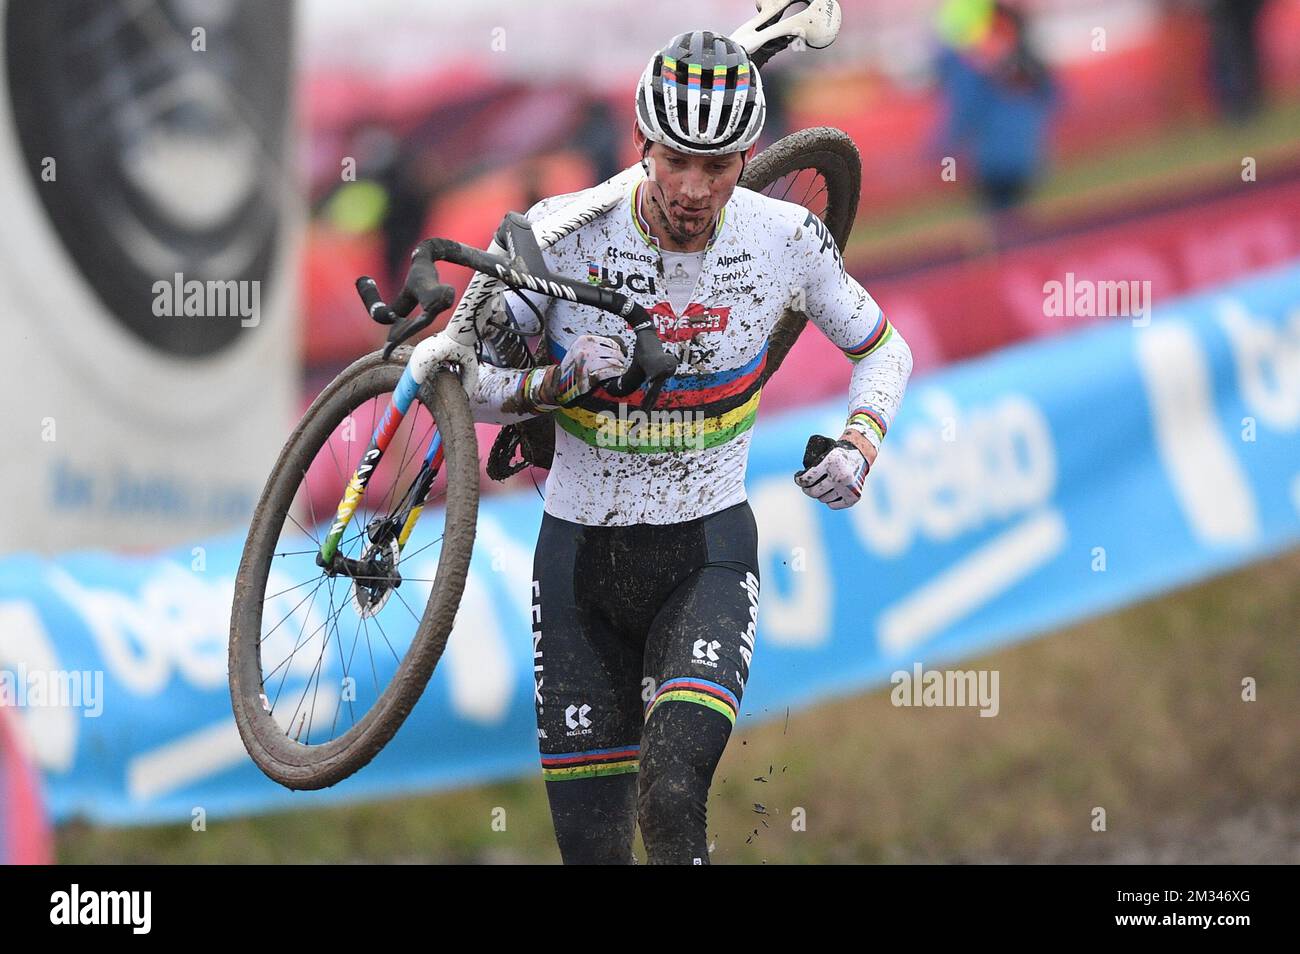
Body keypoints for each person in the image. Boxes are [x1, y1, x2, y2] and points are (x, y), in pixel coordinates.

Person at [467, 30, 912, 864]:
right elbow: (468, 388)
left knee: (671, 800)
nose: (695, 188)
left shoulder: (785, 238)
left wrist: (862, 440)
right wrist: (552, 382)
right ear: (643, 146)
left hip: (703, 555)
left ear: (749, 156)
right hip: (575, 567)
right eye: (677, 160)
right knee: (593, 852)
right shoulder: (567, 236)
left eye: (719, 166)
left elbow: (883, 349)